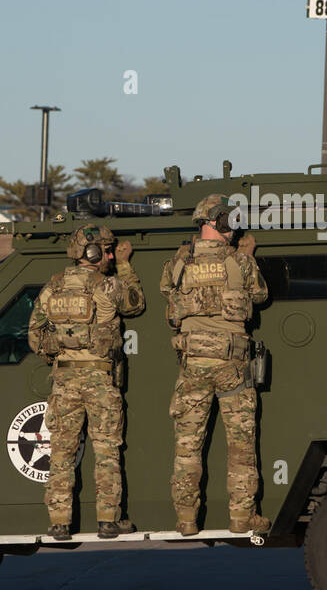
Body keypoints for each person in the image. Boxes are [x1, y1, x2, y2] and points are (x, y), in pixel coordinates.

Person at [160, 194, 270, 536]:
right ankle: (241, 519)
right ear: (222, 221)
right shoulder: (242, 263)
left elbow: (167, 292)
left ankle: (187, 520)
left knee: (187, 446)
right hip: (232, 363)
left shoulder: (177, 265)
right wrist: (246, 257)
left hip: (193, 363)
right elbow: (261, 295)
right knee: (241, 445)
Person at [28, 224, 145, 540]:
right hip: (100, 378)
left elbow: (34, 333)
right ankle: (108, 519)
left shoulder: (52, 288)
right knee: (107, 449)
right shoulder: (107, 286)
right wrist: (124, 264)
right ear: (92, 253)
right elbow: (136, 302)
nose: (108, 255)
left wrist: (55, 355)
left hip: (64, 379)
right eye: (106, 251)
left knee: (61, 451)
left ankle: (59, 522)